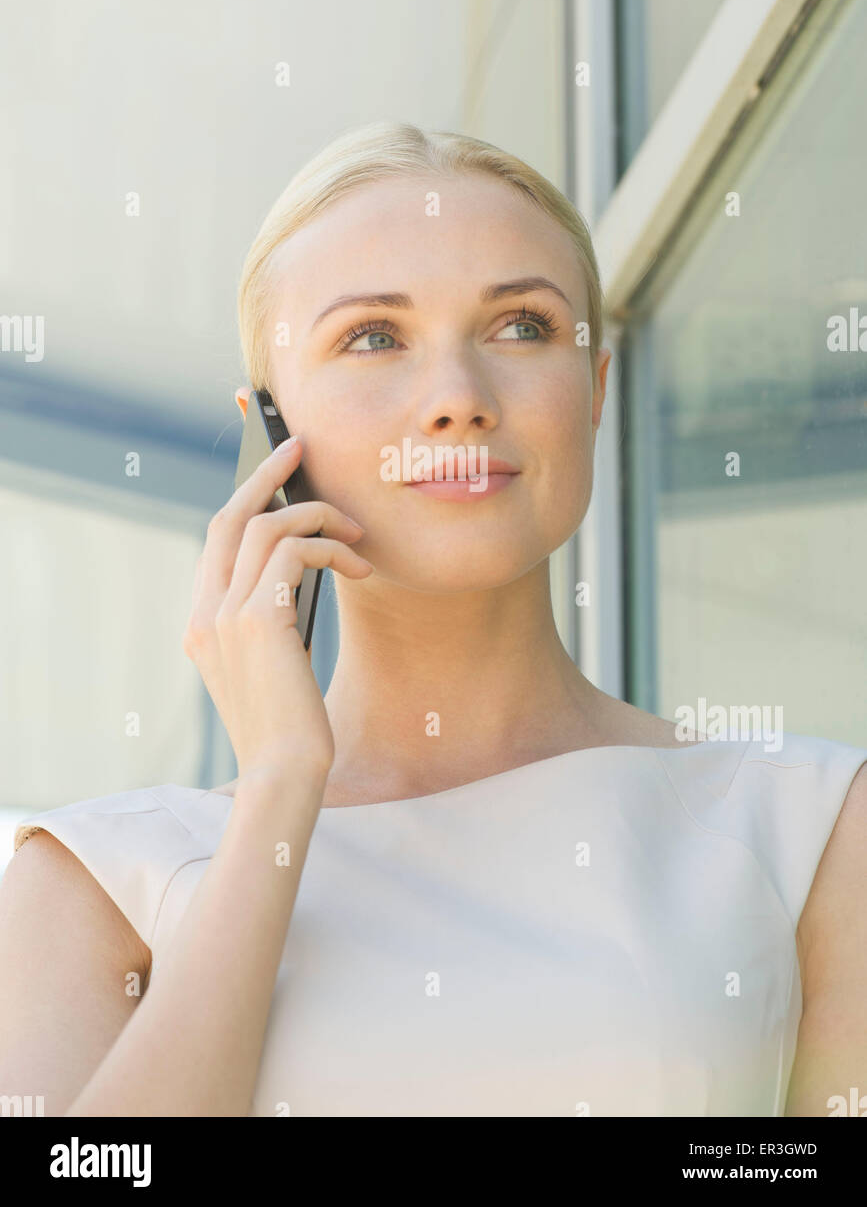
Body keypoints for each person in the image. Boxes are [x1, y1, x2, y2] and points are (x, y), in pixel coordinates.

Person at [1, 121, 865, 1117]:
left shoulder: (809, 826)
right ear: (268, 429)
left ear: (593, 392)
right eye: (374, 337)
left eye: (521, 327)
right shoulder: (99, 878)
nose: (458, 399)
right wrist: (281, 789)